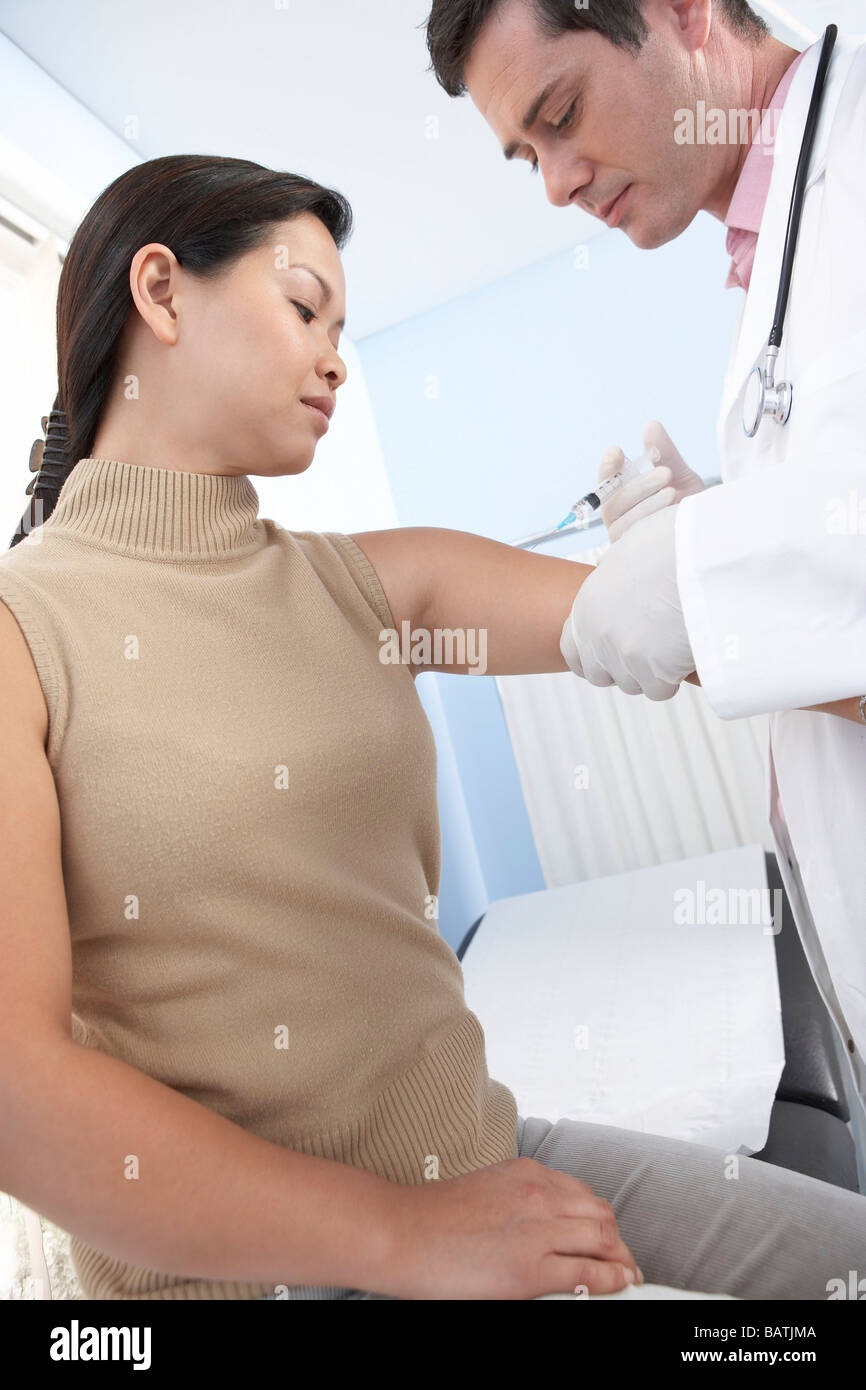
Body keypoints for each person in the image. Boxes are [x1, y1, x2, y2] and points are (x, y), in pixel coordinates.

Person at [1, 153, 864, 1305]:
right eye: (303, 306)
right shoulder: (22, 634)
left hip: (482, 1163)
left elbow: (723, 630)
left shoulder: (378, 592)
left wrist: (702, 552)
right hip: (256, 1275)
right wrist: (401, 1235)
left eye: (342, 324)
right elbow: (16, 1088)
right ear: (161, 293)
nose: (334, 358)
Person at [423, 0, 866, 1123]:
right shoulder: (773, 243)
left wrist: (706, 574)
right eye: (527, 154)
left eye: (560, 115)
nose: (556, 184)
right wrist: (723, 532)